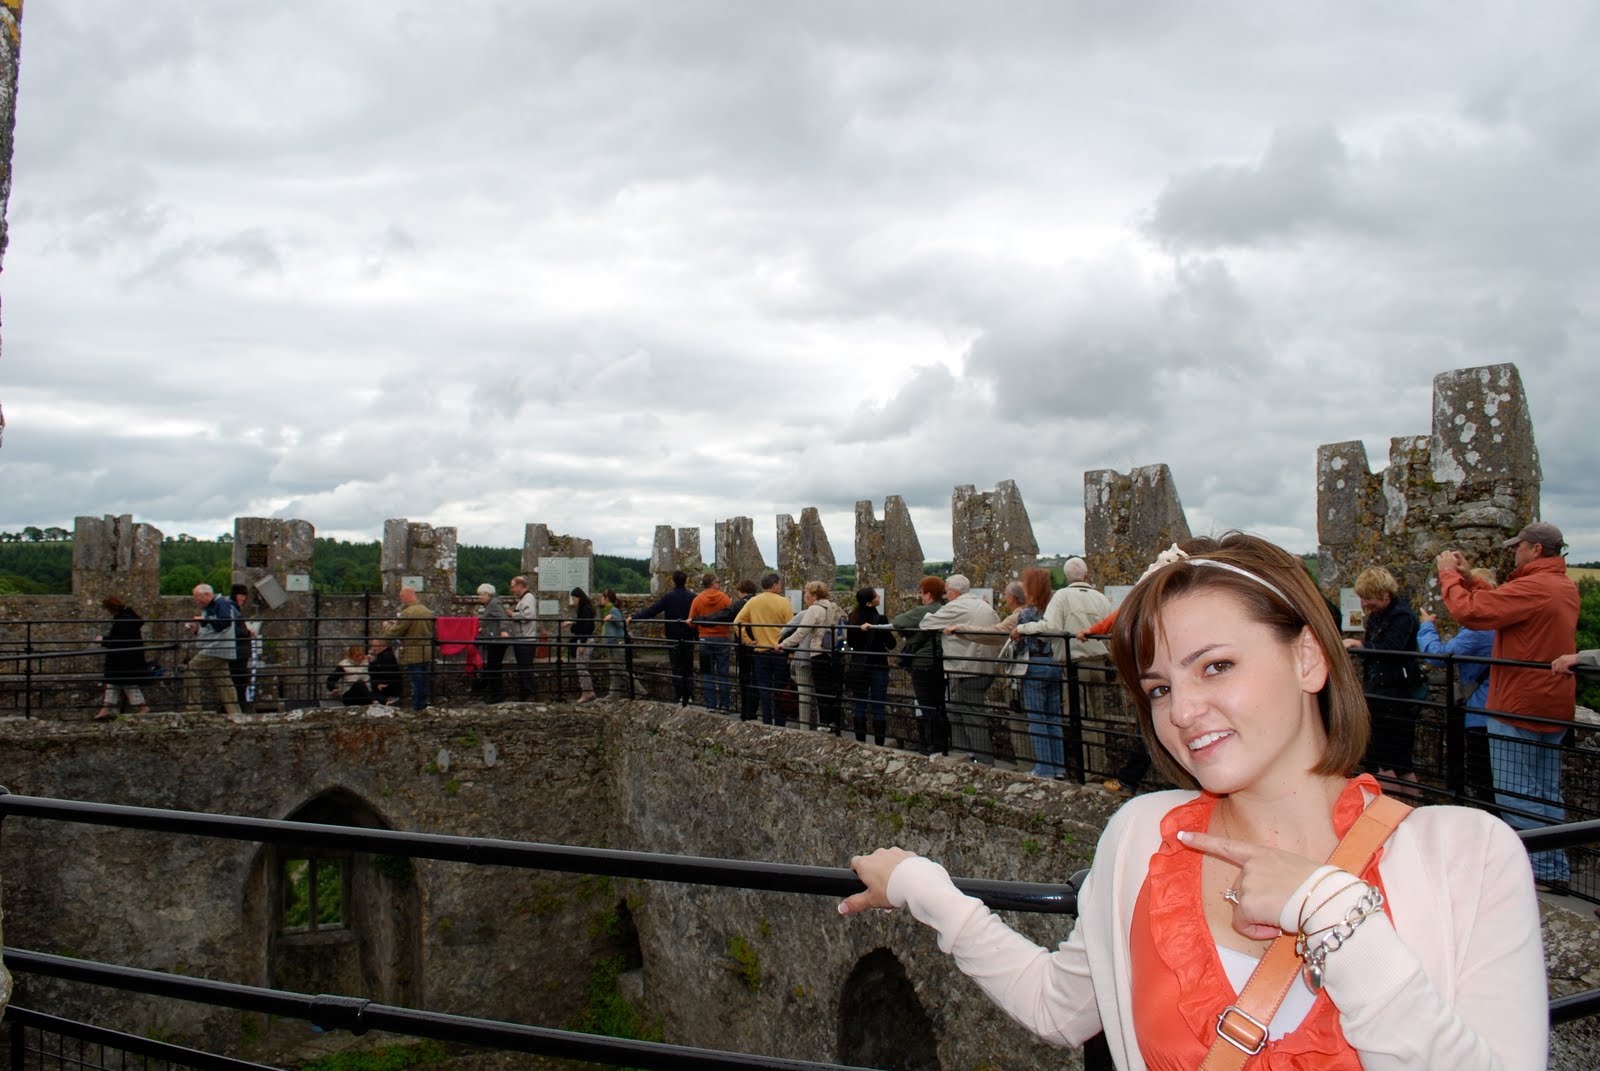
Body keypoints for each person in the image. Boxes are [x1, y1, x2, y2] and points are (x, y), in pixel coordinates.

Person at [842, 532, 1545, 1070]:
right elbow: (1059, 1004)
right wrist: (921, 885)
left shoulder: (1467, 854)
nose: (1183, 710)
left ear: (1308, 658)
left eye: (1216, 665)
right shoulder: (1143, 837)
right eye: (1159, 687)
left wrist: (1334, 917)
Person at [1437, 521, 1579, 887]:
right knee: (1547, 791)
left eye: (1519, 546)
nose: (1513, 551)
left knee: (1517, 792)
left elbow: (1472, 613)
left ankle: (1541, 870)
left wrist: (1449, 576)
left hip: (1517, 703)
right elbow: (1507, 608)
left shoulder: (1535, 586)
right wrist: (1472, 579)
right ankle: (1556, 866)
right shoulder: (1562, 585)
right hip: (1553, 700)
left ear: (1535, 549)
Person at [1417, 567, 1498, 805]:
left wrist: (1426, 627)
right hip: (1495, 708)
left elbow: (1440, 656)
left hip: (1481, 713)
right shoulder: (1498, 622)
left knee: (1482, 779)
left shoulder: (1478, 629)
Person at [1343, 567, 1425, 797]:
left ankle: (1399, 809)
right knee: (1384, 757)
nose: (1364, 603)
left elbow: (1391, 650)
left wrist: (1359, 646)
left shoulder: (1403, 616)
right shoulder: (1379, 616)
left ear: (1384, 594)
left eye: (1367, 597)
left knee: (1393, 759)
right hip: (1380, 693)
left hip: (1396, 695)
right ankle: (1402, 808)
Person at [919, 575, 1005, 763]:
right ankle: (964, 753)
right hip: (986, 666)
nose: (946, 595)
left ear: (953, 592)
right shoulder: (983, 605)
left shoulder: (956, 605)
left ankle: (983, 762)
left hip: (968, 668)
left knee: (974, 717)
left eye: (947, 591)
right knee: (953, 707)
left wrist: (929, 613)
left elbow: (926, 624)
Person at [882, 576, 948, 755]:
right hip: (941, 663)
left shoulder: (925, 610)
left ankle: (929, 746)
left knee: (926, 705)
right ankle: (941, 745)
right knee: (939, 704)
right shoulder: (945, 608)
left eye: (921, 592)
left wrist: (910, 636)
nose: (920, 596)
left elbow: (899, 622)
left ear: (928, 593)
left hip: (923, 663)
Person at [780, 580, 844, 732]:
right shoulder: (833, 607)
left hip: (816, 654)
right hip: (833, 654)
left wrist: (783, 645)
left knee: (816, 692)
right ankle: (833, 724)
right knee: (831, 690)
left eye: (807, 594)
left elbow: (800, 632)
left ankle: (817, 726)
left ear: (814, 595)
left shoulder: (813, 610)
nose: (805, 597)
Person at [733, 573, 795, 727]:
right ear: (774, 585)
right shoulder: (784, 602)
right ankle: (780, 723)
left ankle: (767, 721)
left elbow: (737, 622)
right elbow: (790, 628)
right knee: (780, 690)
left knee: (764, 689)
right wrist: (791, 651)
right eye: (779, 585)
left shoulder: (754, 601)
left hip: (760, 651)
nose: (780, 587)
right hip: (780, 652)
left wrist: (748, 641)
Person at [631, 569, 697, 706]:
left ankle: (680, 697)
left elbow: (652, 611)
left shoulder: (669, 597)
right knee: (688, 667)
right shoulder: (693, 597)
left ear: (673, 582)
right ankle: (689, 696)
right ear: (686, 581)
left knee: (676, 667)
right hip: (688, 636)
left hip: (673, 637)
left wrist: (634, 618)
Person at [844, 587, 895, 745]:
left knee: (859, 704)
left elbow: (851, 642)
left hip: (859, 666)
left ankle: (860, 742)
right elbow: (891, 644)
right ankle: (879, 744)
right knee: (878, 705)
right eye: (875, 595)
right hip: (878, 665)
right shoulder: (881, 619)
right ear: (869, 602)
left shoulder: (852, 617)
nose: (878, 596)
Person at [182, 583, 242, 716]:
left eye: (198, 597)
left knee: (191, 669)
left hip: (216, 648)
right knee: (223, 680)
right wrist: (198, 628)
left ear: (208, 594)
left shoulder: (221, 604)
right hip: (222, 648)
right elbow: (216, 626)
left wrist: (205, 619)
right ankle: (235, 713)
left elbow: (225, 622)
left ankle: (194, 708)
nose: (197, 601)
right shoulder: (216, 605)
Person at [95, 595, 151, 720]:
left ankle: (142, 707)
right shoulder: (128, 618)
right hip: (125, 658)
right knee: (114, 682)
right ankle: (106, 708)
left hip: (124, 659)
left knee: (125, 682)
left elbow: (120, 640)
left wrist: (103, 639)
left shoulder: (124, 621)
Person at [688, 573, 734, 713]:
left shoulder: (697, 600)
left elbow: (691, 622)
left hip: (705, 639)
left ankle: (711, 705)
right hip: (722, 638)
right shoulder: (725, 598)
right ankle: (725, 705)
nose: (719, 584)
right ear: (713, 583)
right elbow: (732, 616)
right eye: (718, 582)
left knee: (707, 673)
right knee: (723, 672)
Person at [386, 585, 435, 711]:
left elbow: (395, 632)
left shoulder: (408, 612)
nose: (401, 600)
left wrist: (386, 626)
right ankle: (423, 704)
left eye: (402, 597)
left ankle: (418, 706)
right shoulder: (427, 611)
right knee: (423, 679)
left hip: (413, 651)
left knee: (416, 680)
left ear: (405, 596)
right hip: (427, 650)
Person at [475, 583, 511, 702]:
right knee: (493, 667)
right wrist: (482, 628)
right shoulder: (492, 603)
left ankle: (497, 695)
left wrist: (504, 630)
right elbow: (493, 620)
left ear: (487, 594)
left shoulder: (494, 603)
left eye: (480, 595)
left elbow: (503, 617)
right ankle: (494, 693)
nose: (480, 598)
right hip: (494, 639)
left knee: (494, 667)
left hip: (497, 640)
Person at [227, 583, 259, 713]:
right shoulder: (232, 609)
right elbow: (233, 629)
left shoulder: (233, 609)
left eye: (244, 596)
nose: (243, 599)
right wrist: (248, 633)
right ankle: (238, 706)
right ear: (235, 595)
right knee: (238, 679)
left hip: (240, 651)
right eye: (241, 595)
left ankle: (239, 705)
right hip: (237, 651)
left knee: (240, 679)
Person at [509, 575, 541, 701]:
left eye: (513, 587)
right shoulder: (526, 598)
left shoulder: (528, 598)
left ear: (519, 586)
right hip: (524, 638)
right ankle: (525, 693)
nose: (511, 590)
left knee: (526, 668)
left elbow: (528, 616)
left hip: (525, 639)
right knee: (524, 668)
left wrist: (513, 614)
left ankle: (531, 693)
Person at [564, 587, 598, 703]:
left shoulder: (585, 610)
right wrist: (572, 623)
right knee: (581, 667)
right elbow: (582, 624)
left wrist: (582, 643)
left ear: (578, 597)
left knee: (582, 667)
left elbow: (587, 627)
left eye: (574, 598)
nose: (573, 600)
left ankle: (587, 692)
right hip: (584, 639)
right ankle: (588, 691)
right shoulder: (585, 609)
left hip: (585, 640)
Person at [596, 589, 626, 698]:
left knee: (621, 669)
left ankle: (640, 691)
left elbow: (622, 624)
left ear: (607, 598)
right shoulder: (607, 610)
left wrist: (612, 617)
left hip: (617, 643)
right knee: (613, 669)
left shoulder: (613, 610)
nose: (600, 600)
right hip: (612, 642)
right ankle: (613, 694)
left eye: (602, 597)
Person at [367, 638, 402, 705]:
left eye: (374, 646)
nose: (373, 648)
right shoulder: (384, 655)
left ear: (382, 645)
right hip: (385, 686)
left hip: (386, 688)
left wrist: (371, 663)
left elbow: (383, 673)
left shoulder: (385, 656)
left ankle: (385, 701)